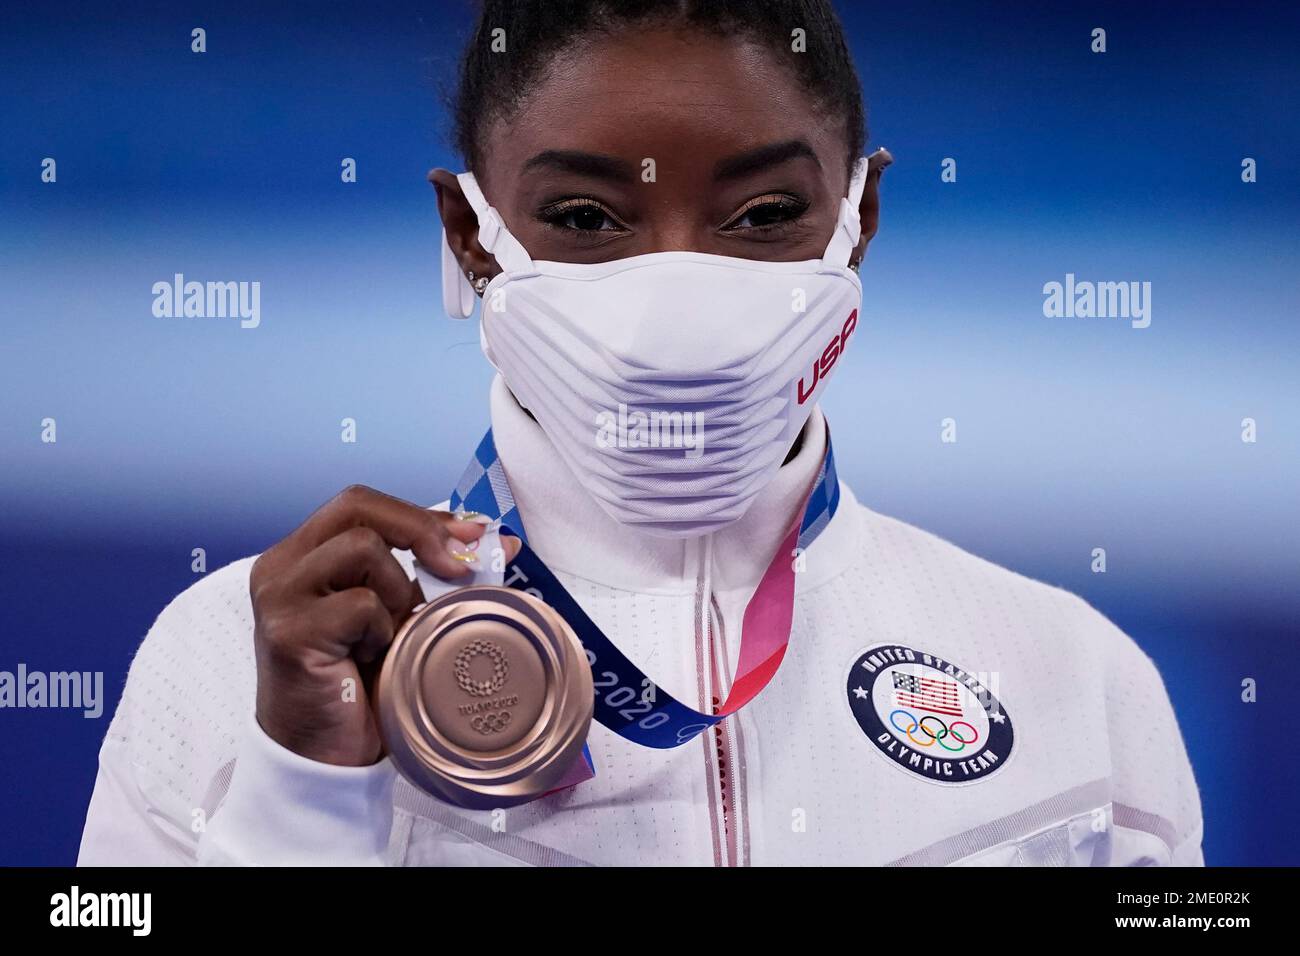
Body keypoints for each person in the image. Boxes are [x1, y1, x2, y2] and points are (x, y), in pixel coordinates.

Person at [78, 0, 1202, 866]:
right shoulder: (240, 658)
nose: (676, 299)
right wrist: (303, 803)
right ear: (471, 239)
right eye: (584, 217)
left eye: (763, 215)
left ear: (857, 223)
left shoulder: (1079, 682)